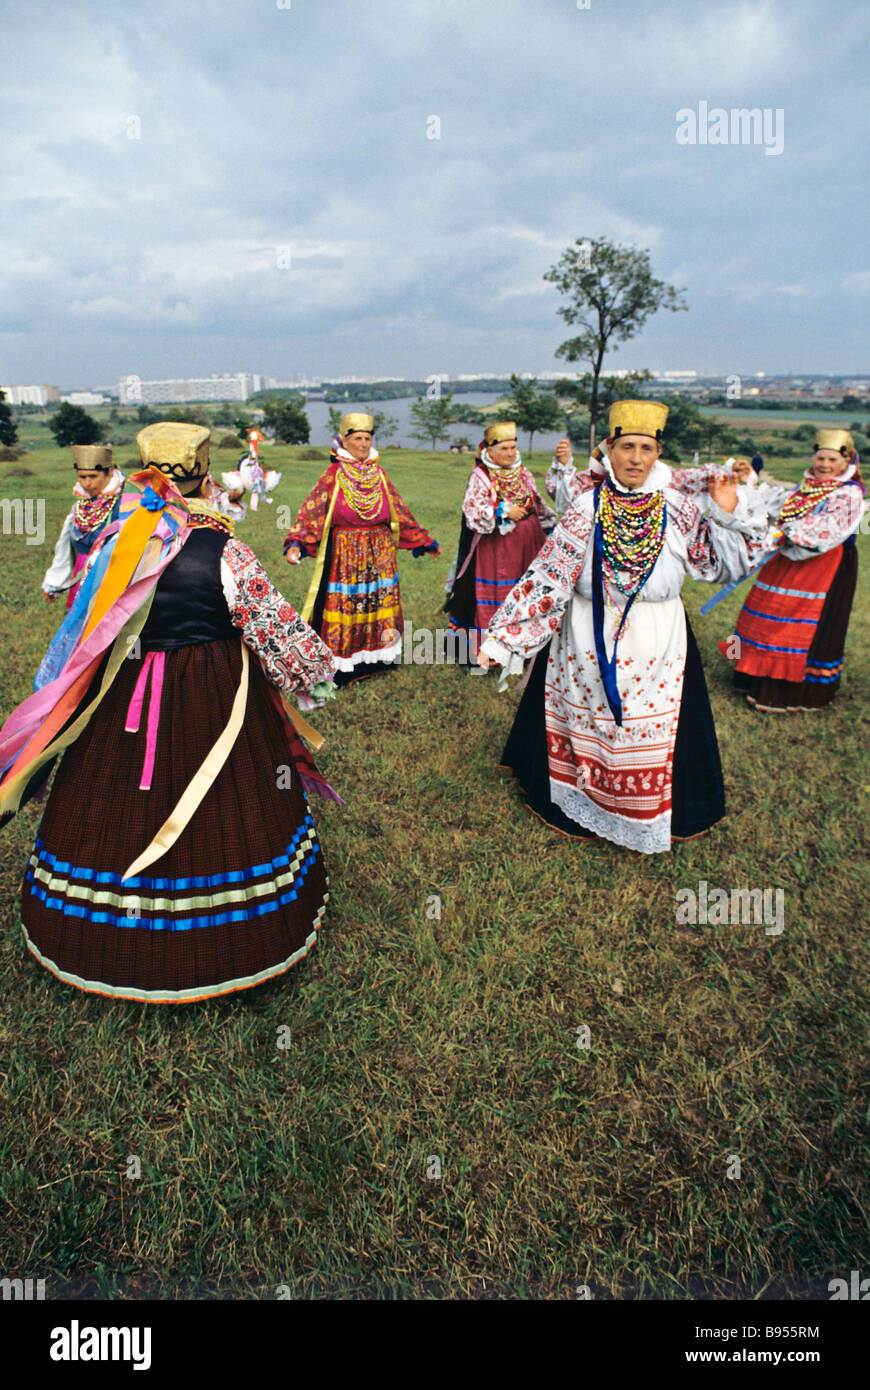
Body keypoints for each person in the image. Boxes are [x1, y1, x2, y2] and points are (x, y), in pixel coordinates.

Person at [0, 423, 339, 1003]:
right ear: (206, 477)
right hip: (214, 689)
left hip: (122, 690)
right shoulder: (226, 550)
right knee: (234, 805)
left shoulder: (115, 539)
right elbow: (279, 632)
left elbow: (87, 627)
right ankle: (230, 939)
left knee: (107, 799)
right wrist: (313, 678)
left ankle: (95, 932)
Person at [477, 400, 767, 854]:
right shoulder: (586, 507)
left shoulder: (680, 509)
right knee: (586, 719)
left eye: (646, 448)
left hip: (659, 637)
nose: (635, 458)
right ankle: (583, 800)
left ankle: (642, 812)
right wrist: (504, 639)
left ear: (658, 453)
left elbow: (722, 567)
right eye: (626, 446)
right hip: (585, 633)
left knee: (647, 727)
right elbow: (550, 574)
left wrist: (728, 515)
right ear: (609, 449)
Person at [283, 413, 440, 686]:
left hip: (379, 551)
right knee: (350, 603)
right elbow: (313, 510)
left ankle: (380, 657)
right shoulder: (334, 474)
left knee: (378, 601)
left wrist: (422, 539)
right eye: (358, 438)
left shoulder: (379, 473)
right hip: (345, 552)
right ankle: (343, 665)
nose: (364, 444)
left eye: (368, 438)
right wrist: (297, 542)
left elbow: (398, 510)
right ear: (345, 441)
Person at [720, 427, 865, 711]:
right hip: (788, 559)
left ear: (847, 462)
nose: (824, 465)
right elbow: (776, 505)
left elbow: (828, 529)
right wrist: (749, 480)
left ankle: (790, 690)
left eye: (832, 460)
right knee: (768, 616)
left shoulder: (849, 494)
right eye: (820, 458)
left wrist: (784, 533)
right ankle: (753, 676)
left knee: (800, 624)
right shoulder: (804, 488)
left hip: (825, 564)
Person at [443, 422, 556, 649]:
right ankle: (494, 648)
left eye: (513, 447)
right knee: (500, 594)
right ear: (490, 451)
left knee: (526, 592)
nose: (510, 453)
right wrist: (501, 511)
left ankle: (525, 642)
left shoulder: (522, 471)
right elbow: (472, 513)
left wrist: (551, 528)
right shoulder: (481, 476)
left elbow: (537, 502)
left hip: (528, 545)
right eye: (504, 448)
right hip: (497, 550)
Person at [42, 444, 125, 609]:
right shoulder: (80, 507)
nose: (87, 483)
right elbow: (65, 546)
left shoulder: (125, 504)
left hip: (111, 576)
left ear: (109, 473)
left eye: (93, 476)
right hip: (82, 573)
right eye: (82, 477)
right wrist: (54, 584)